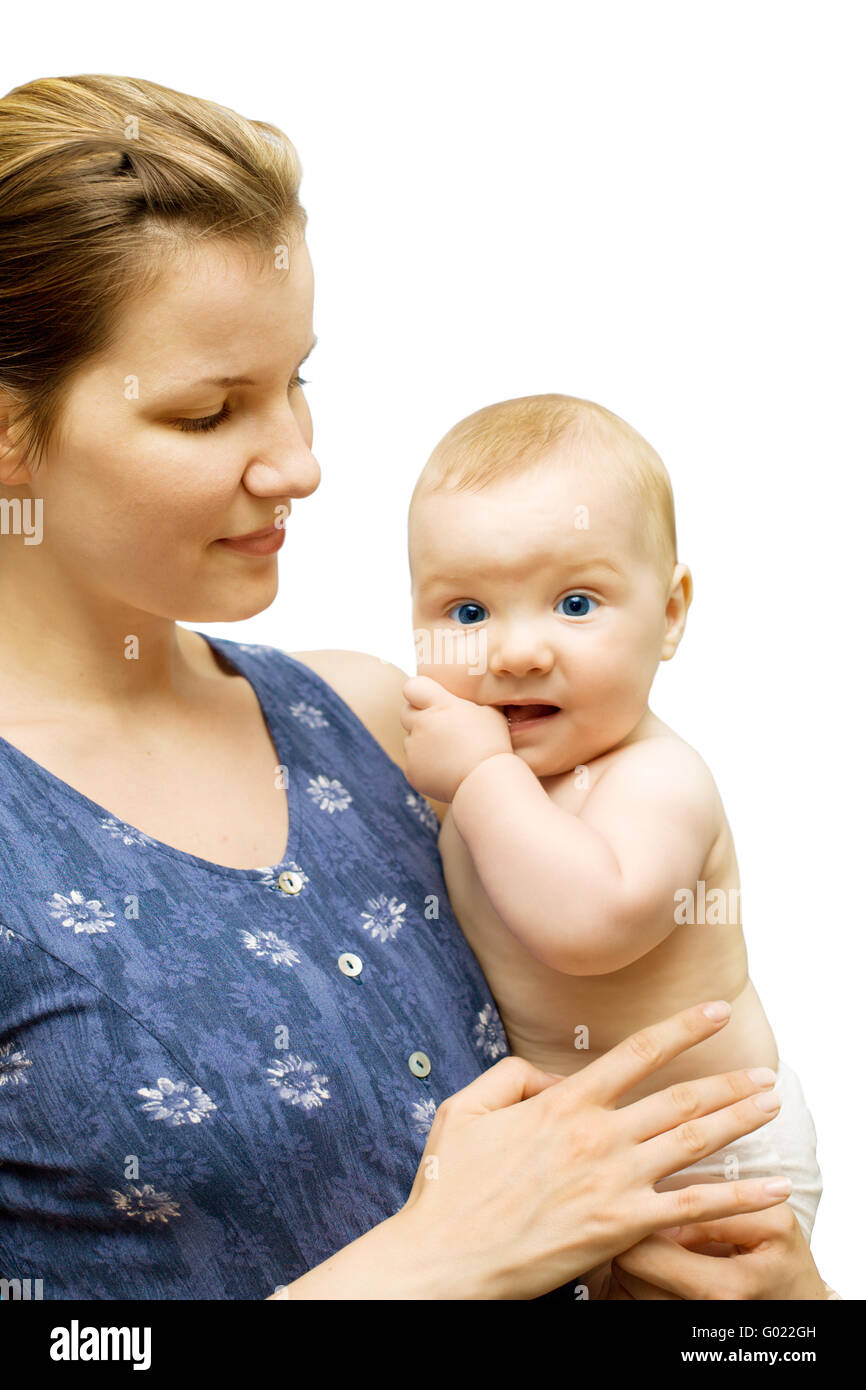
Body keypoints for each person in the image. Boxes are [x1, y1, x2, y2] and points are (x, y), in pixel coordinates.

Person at [0, 72, 833, 1300]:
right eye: (207, 410)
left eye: (297, 382)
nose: (300, 461)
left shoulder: (390, 729)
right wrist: (435, 1263)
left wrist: (778, 1310)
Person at [401, 394, 822, 1296]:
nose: (515, 651)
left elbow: (590, 923)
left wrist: (479, 782)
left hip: (710, 1159)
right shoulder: (481, 769)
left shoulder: (657, 778)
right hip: (573, 1168)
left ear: (670, 614)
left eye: (576, 602)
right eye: (466, 611)